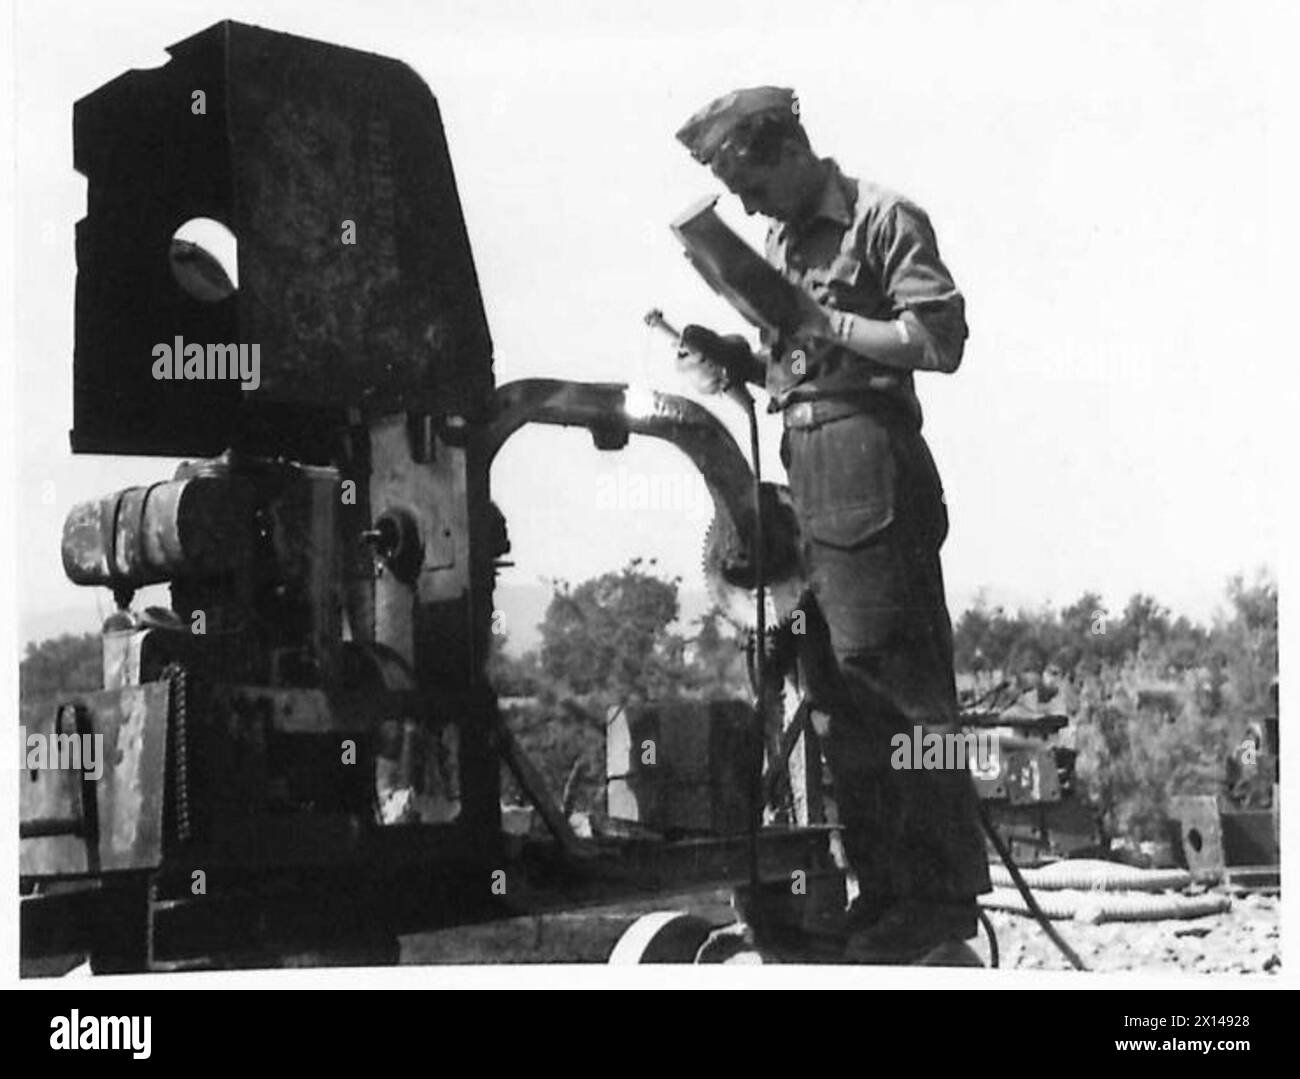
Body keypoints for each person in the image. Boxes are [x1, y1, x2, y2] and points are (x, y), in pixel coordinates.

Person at [674, 86, 991, 963]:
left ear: (785, 148)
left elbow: (939, 340)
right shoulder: (777, 239)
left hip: (873, 460)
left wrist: (829, 321)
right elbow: (801, 360)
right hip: (807, 464)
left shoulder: (884, 218)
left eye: (749, 183)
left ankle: (936, 894)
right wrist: (735, 357)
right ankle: (884, 890)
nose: (747, 207)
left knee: (898, 687)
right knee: (839, 696)